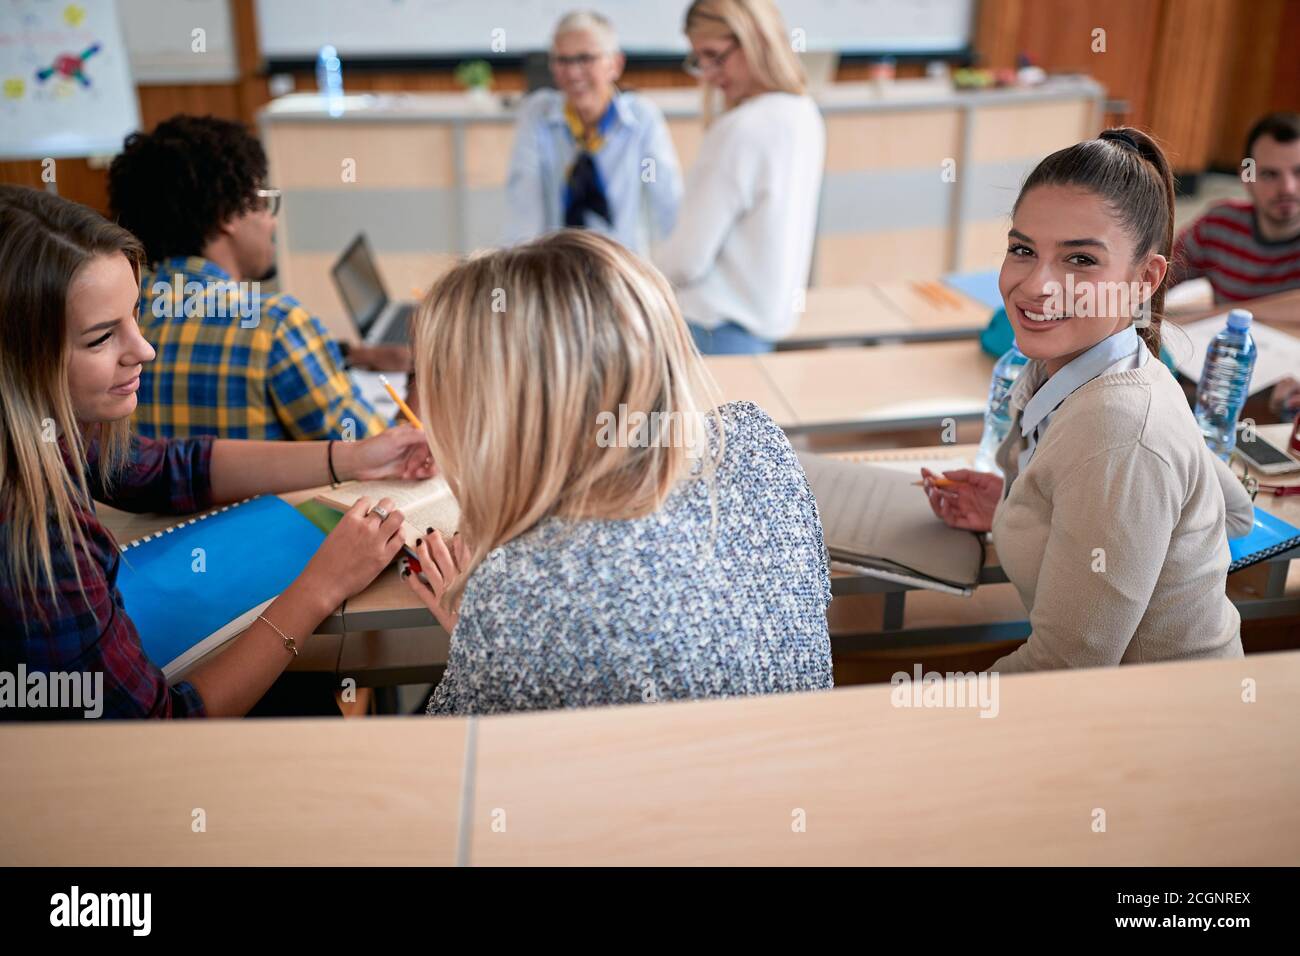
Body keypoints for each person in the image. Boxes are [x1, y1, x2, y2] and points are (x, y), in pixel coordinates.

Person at [0, 186, 435, 718]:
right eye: (100, 339)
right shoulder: (35, 535)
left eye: (136, 316)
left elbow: (164, 469)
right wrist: (321, 586)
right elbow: (157, 728)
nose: (143, 350)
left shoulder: (48, 434)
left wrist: (353, 457)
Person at [399, 230, 833, 715]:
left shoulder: (519, 595)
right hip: (805, 775)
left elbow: (469, 761)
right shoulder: (757, 443)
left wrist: (474, 627)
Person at [921, 130, 1256, 673]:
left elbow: (1064, 669)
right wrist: (1019, 511)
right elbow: (1236, 511)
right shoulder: (1112, 365)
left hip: (1162, 726)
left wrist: (911, 714)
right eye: (1022, 250)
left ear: (1144, 279)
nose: (1037, 286)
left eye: (1079, 259)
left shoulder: (1121, 425)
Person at [107, 114, 399, 441]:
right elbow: (384, 451)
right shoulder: (276, 326)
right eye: (262, 203)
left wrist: (353, 355)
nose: (272, 223)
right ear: (228, 215)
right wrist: (427, 369)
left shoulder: (112, 320)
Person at [653, 0, 825, 354]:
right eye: (699, 61)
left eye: (715, 55)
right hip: (763, 332)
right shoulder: (804, 114)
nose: (709, 74)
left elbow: (687, 260)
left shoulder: (740, 129)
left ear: (755, 39)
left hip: (710, 331)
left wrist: (641, 272)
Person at [503, 10, 682, 255]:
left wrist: (673, 281)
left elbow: (668, 205)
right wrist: (521, 276)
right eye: (562, 60)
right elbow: (524, 209)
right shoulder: (538, 115)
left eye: (585, 58)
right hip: (556, 268)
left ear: (615, 64)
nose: (573, 72)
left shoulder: (641, 119)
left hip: (621, 269)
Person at [1168, 111, 1300, 304]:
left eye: (1299, 172)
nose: (1287, 188)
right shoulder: (1219, 224)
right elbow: (1154, 278)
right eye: (1269, 174)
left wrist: (1218, 316)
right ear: (1247, 178)